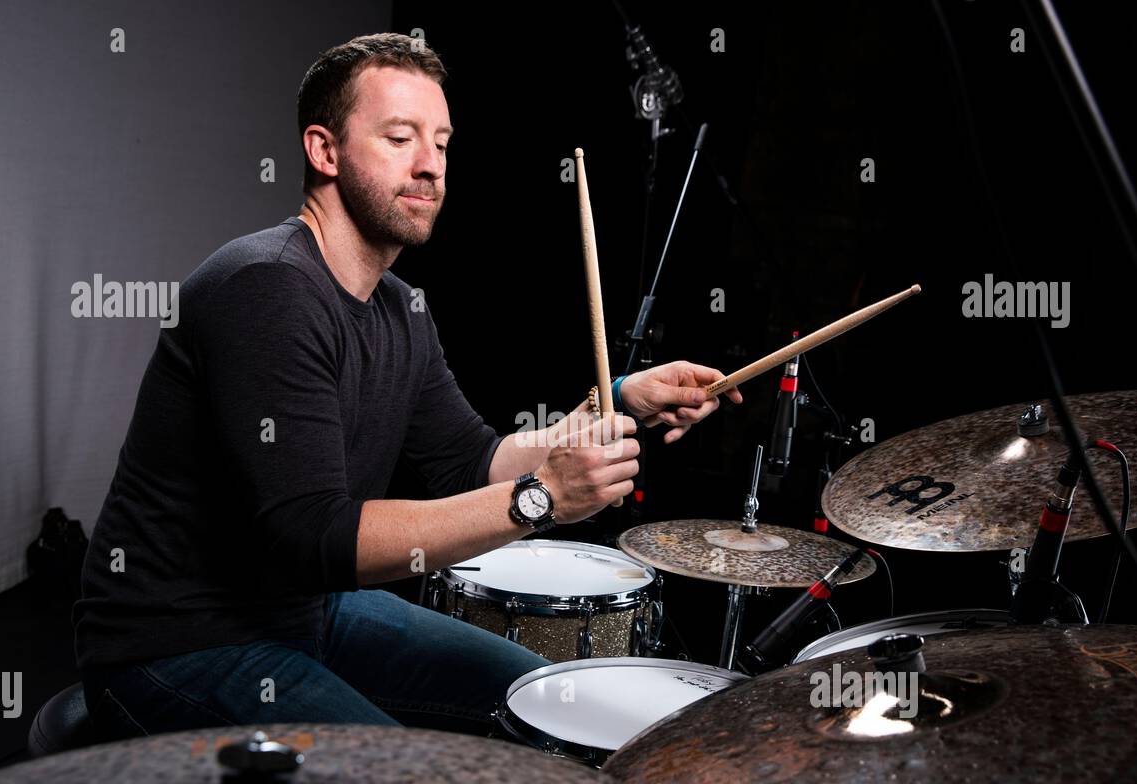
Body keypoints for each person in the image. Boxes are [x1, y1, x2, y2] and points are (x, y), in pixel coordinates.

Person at [73, 32, 742, 742]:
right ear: (324, 151)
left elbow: (473, 460)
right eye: (400, 138)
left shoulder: (401, 308)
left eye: (443, 144)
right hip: (179, 643)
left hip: (306, 611)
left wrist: (621, 398)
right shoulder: (265, 287)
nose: (431, 166)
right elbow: (312, 537)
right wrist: (541, 499)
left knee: (545, 702)